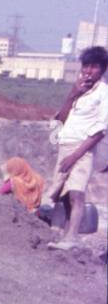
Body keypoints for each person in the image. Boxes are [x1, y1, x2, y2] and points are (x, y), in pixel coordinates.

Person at [47, 46, 108, 250]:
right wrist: (72, 94)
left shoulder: (104, 94)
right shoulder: (79, 91)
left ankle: (72, 237)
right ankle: (64, 236)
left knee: (76, 192)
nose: (89, 71)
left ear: (102, 69)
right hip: (66, 145)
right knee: (63, 195)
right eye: (86, 66)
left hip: (83, 149)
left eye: (94, 67)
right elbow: (60, 121)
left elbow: (99, 131)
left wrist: (75, 156)